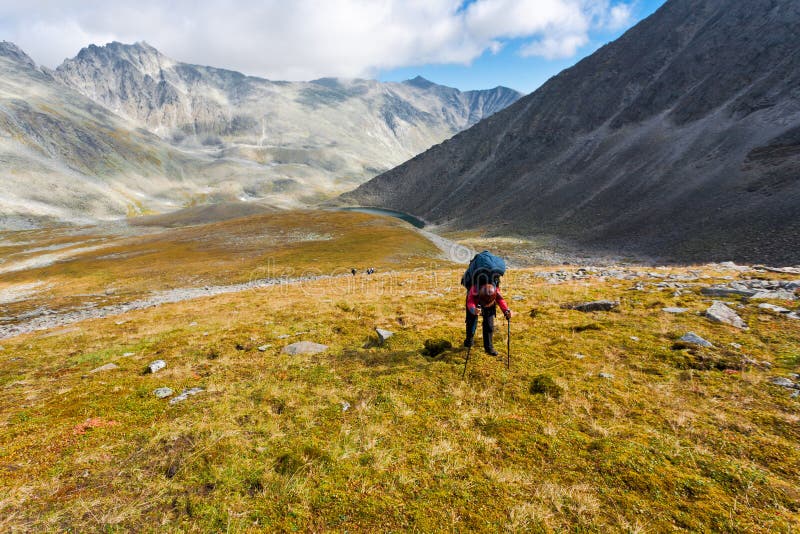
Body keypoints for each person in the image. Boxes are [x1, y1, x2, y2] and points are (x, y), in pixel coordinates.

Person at [465, 282, 511, 356]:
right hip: (475, 302)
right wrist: (473, 310)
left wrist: (506, 310)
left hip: (490, 304)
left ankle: (489, 347)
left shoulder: (495, 289)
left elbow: (500, 299)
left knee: (489, 325)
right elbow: (470, 301)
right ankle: (469, 340)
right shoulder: (474, 289)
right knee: (471, 322)